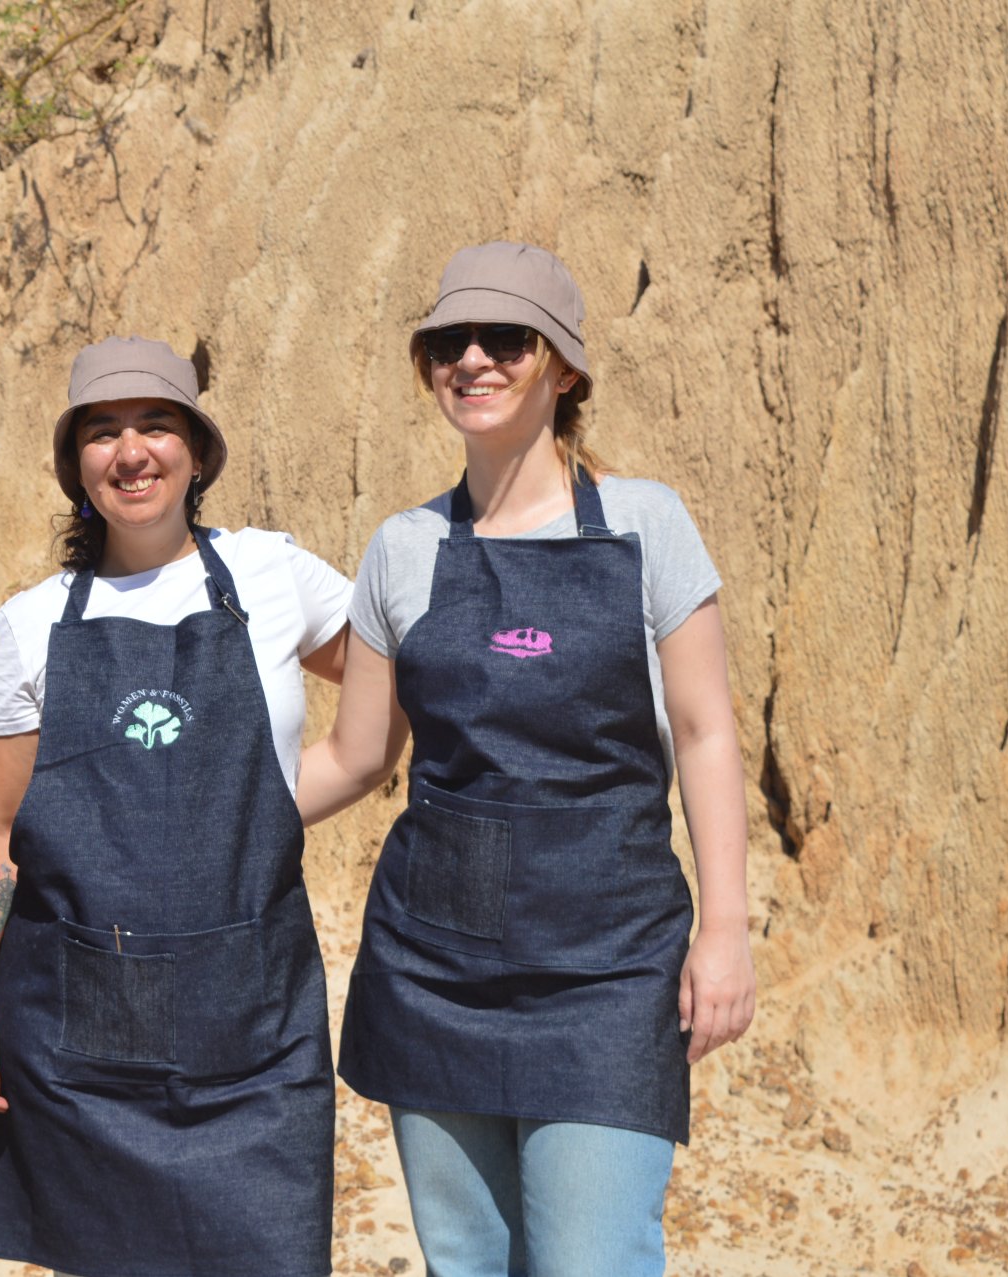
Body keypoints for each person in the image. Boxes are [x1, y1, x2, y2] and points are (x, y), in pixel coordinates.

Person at [297, 242, 757, 1274]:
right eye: (448, 342)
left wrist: (723, 928)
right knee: (468, 1263)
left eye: (505, 338)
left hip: (611, 968)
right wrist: (185, 831)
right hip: (433, 966)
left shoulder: (648, 523)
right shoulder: (401, 548)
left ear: (563, 367)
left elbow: (705, 731)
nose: (473, 358)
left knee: (593, 1258)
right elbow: (356, 755)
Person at [0, 337, 353, 1277]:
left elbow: (396, 690)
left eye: (156, 425)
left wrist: (278, 807)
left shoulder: (272, 573)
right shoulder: (31, 623)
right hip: (86, 1045)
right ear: (75, 466)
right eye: (102, 432)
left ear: (198, 452)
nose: (131, 452)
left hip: (256, 1027)